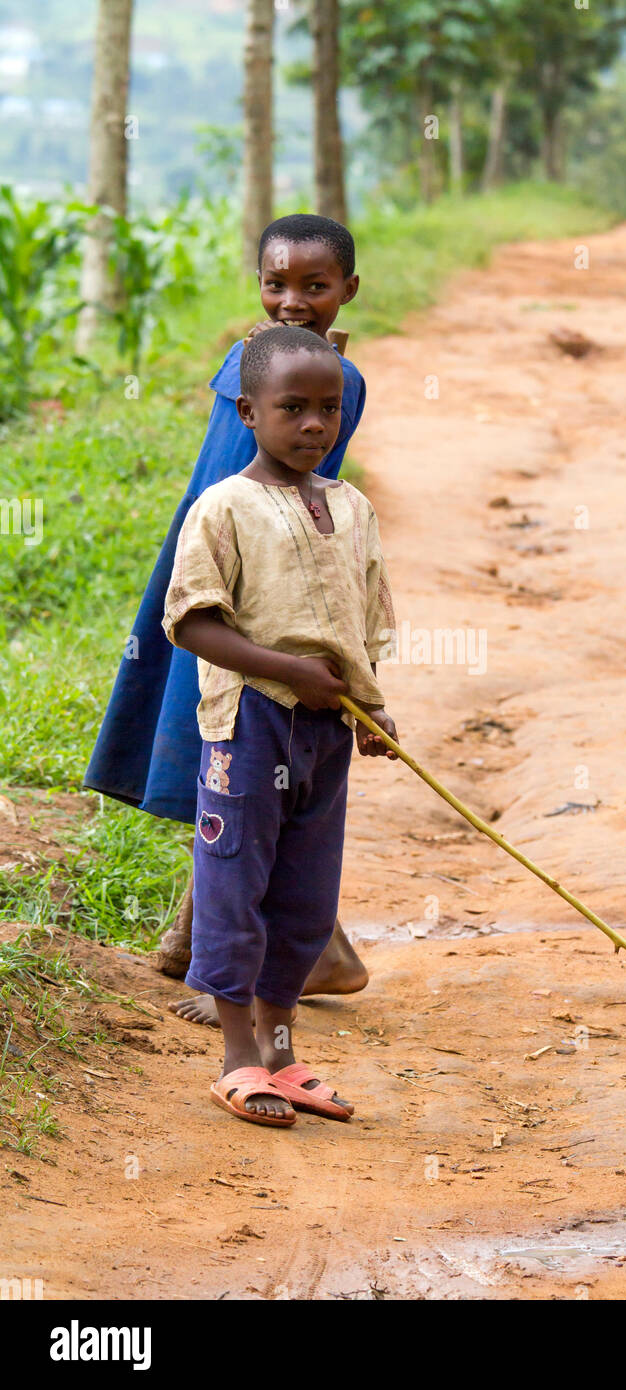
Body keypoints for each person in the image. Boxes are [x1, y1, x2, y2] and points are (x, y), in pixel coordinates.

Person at [84, 214, 371, 1022]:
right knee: (225, 767)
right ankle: (290, 947)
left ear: (348, 290)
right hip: (205, 569)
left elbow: (297, 496)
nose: (292, 301)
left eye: (314, 286)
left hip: (257, 593)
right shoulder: (249, 361)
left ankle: (241, 966)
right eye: (276, 283)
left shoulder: (330, 382)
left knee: (242, 773)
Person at [163, 325, 398, 1125]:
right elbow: (191, 624)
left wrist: (371, 706)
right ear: (247, 411)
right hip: (249, 726)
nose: (312, 425)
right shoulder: (224, 506)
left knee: (304, 895)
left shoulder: (352, 508)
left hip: (325, 734)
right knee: (237, 884)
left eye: (328, 409)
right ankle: (236, 1059)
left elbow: (363, 627)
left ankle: (283, 1054)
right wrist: (287, 669)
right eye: (291, 408)